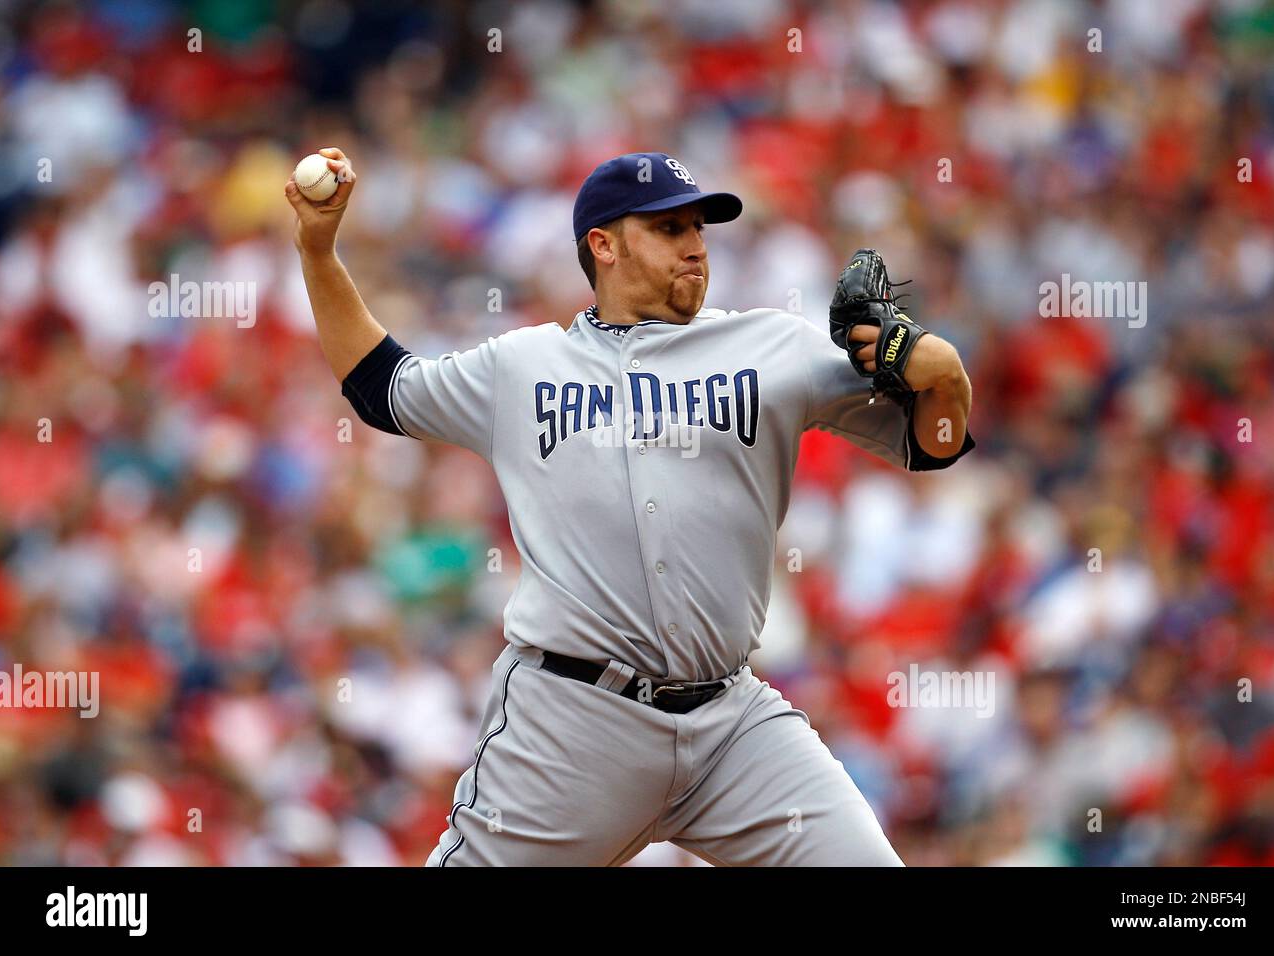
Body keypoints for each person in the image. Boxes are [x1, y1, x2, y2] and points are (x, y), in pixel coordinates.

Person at [285, 149, 975, 866]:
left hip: (733, 728)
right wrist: (318, 250)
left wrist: (944, 377)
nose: (696, 247)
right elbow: (380, 386)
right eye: (670, 229)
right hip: (573, 727)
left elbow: (933, 445)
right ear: (604, 245)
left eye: (699, 230)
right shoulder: (523, 366)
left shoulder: (771, 346)